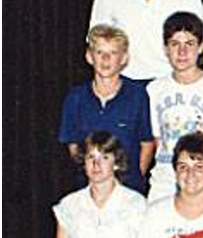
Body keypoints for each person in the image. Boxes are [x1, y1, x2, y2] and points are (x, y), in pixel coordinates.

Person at [59, 24, 155, 194]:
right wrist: (93, 177)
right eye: (99, 52)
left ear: (124, 58)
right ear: (89, 56)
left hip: (127, 188)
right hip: (88, 190)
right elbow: (73, 145)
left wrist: (132, 181)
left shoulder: (138, 95)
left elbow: (146, 143)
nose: (105, 59)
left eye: (112, 53)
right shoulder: (75, 97)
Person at [147, 11, 203, 202]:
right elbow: (155, 140)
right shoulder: (154, 90)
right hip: (164, 186)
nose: (182, 52)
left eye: (189, 44)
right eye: (175, 44)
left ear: (201, 47)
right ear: (165, 48)